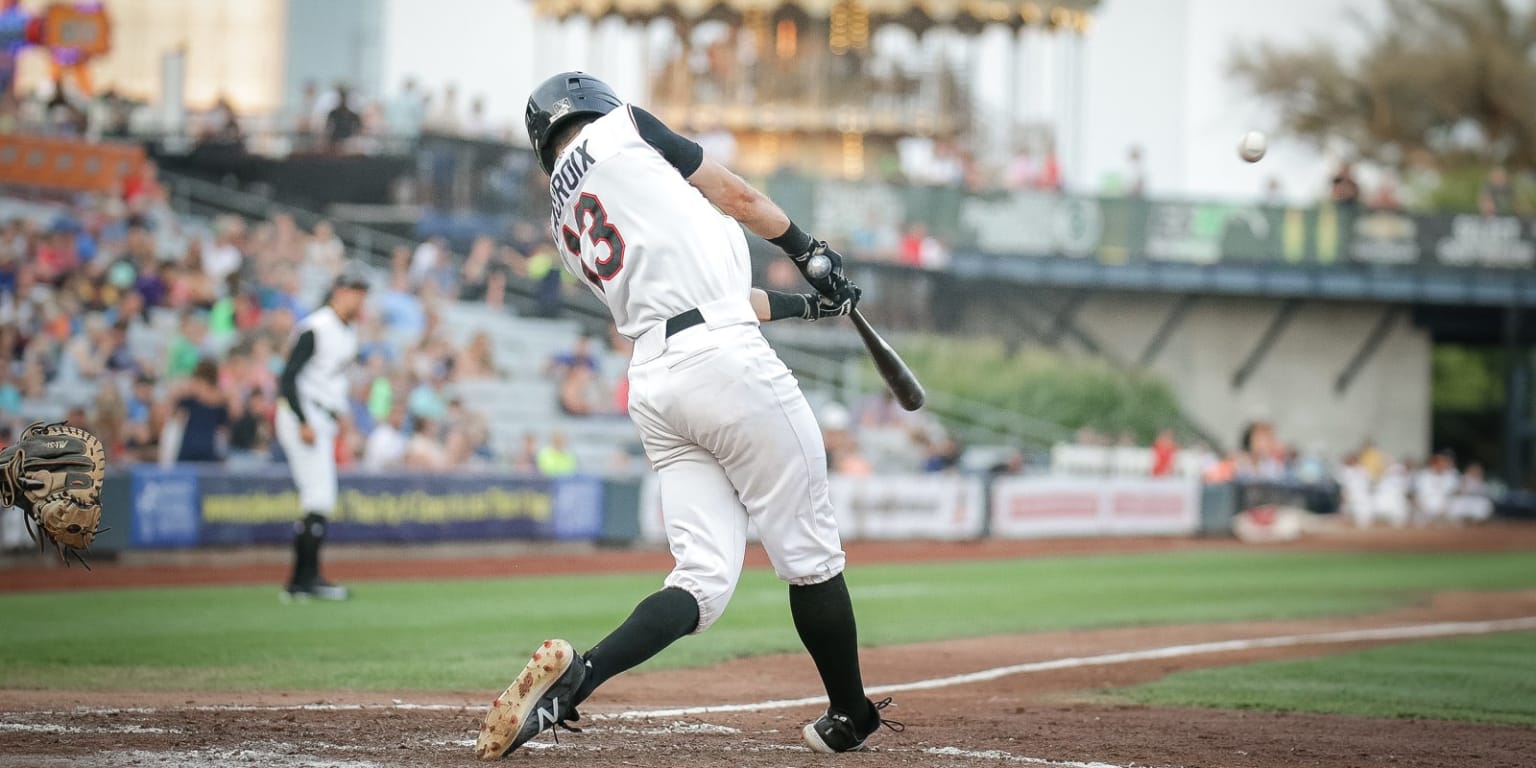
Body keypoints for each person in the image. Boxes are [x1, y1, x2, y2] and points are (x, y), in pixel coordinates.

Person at [477, 72, 893, 760]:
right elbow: (739, 196)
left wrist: (805, 305)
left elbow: (711, 299)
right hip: (725, 365)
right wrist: (806, 250)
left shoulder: (562, 220)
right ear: (594, 106)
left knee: (700, 581)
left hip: (658, 382)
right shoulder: (625, 128)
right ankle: (848, 713)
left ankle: (575, 683)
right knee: (811, 555)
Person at [274, 262, 371, 602]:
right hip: (304, 415)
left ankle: (301, 582)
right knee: (319, 498)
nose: (360, 301)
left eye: (363, 295)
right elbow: (286, 379)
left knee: (317, 500)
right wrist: (302, 420)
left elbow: (331, 380)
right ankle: (306, 580)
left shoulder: (347, 330)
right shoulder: (316, 327)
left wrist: (342, 416)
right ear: (339, 293)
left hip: (322, 416)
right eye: (355, 294)